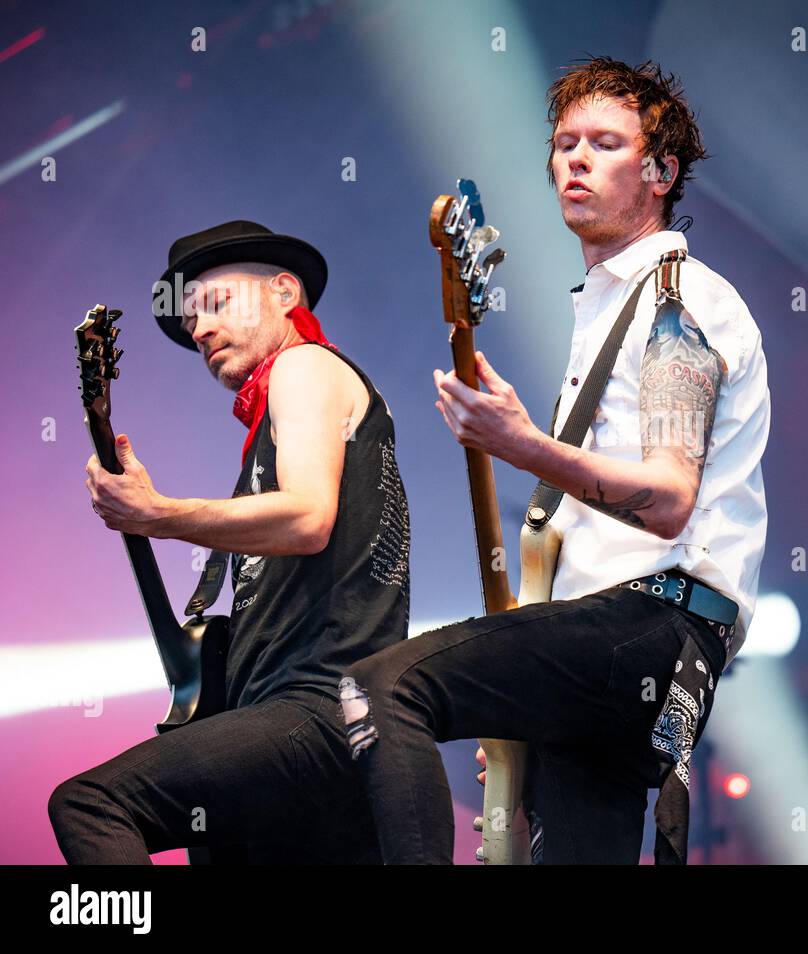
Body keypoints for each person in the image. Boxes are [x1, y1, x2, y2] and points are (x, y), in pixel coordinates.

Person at [341, 56, 769, 864]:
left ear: (660, 171)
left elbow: (671, 499)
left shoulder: (678, 298)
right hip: (620, 648)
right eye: (565, 142)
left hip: (649, 625)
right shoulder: (612, 303)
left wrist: (524, 444)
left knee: (378, 688)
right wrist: (523, 689)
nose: (574, 157)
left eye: (605, 142)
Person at [49, 221, 411, 863]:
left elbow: (306, 518)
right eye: (189, 322)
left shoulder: (304, 366)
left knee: (92, 803)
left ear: (283, 292)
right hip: (317, 729)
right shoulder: (272, 428)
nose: (199, 329)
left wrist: (157, 513)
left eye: (215, 304)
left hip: (318, 705)